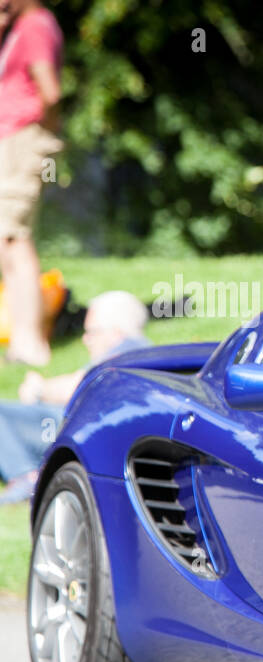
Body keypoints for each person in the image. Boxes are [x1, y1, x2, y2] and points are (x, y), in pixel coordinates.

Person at [0, 291, 150, 504]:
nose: (85, 339)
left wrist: (39, 389)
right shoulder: (144, 353)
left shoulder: (128, 350)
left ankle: (25, 477)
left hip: (78, 429)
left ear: (115, 333)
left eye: (92, 332)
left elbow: (79, 387)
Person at [0, 0, 64, 367]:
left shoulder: (36, 24)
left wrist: (42, 134)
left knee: (13, 237)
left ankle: (31, 343)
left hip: (23, 139)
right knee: (6, 236)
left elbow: (50, 92)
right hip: (14, 139)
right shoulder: (21, 26)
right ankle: (23, 338)